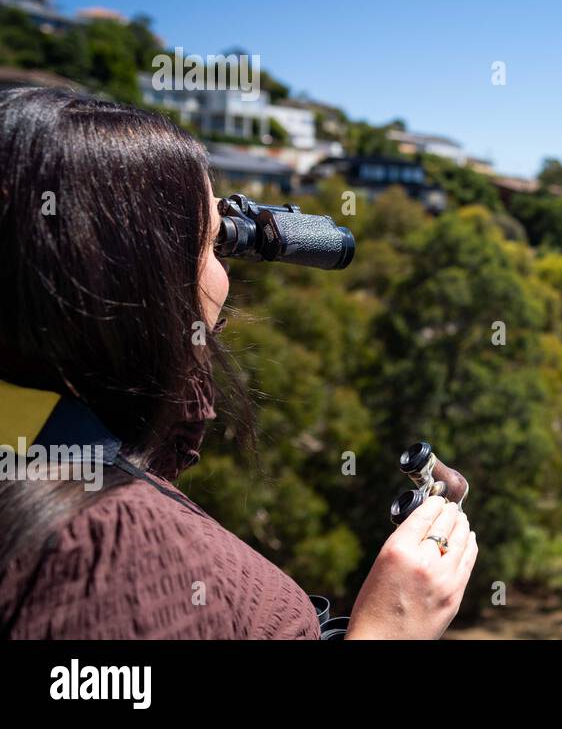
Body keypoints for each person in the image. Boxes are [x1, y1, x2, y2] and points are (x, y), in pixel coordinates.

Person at [0, 86, 477, 638]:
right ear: (130, 283)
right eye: (209, 244)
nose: (225, 275)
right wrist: (391, 627)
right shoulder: (116, 556)